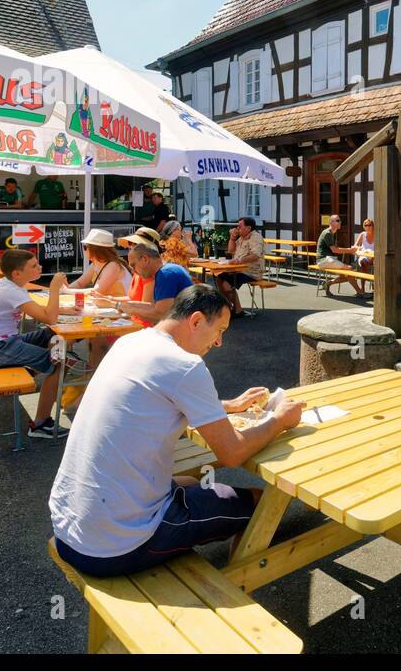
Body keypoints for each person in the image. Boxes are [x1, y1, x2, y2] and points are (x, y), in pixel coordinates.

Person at [48, 284, 306, 576]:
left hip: (69, 528)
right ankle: (239, 587)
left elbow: (157, 396)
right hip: (116, 547)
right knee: (260, 503)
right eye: (220, 330)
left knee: (190, 481)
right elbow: (232, 453)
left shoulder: (130, 342)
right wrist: (280, 420)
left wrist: (227, 405)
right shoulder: (186, 366)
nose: (219, 342)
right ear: (195, 321)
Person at [0, 248, 68, 439]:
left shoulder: (13, 285)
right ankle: (40, 424)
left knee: (50, 336)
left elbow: (41, 310)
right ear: (17, 273)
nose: (39, 266)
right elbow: (49, 317)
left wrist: (68, 311)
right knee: (58, 363)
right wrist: (55, 288)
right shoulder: (11, 290)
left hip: (1, 343)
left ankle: (38, 367)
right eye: (33, 266)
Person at [117, 241, 194, 326]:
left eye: (133, 265)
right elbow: (155, 307)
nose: (133, 271)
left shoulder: (166, 274)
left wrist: (131, 310)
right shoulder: (165, 271)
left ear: (145, 259)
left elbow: (161, 315)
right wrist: (127, 306)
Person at [216, 216, 265, 317]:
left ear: (248, 228)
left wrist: (238, 260)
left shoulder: (255, 237)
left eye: (240, 226)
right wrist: (232, 238)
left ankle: (237, 310)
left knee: (226, 284)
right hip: (238, 270)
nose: (237, 228)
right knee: (219, 278)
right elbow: (231, 250)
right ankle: (231, 307)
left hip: (251, 271)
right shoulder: (242, 237)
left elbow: (255, 255)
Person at [68, 229, 132, 299]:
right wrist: (65, 289)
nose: (84, 250)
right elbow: (79, 283)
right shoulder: (95, 264)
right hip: (109, 306)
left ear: (95, 250)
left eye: (85, 247)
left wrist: (66, 291)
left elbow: (96, 292)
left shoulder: (113, 266)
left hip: (122, 307)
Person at [317, 214, 365, 296]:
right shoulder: (327, 233)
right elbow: (335, 250)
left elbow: (336, 248)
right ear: (331, 222)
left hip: (329, 259)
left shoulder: (331, 233)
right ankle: (360, 292)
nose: (340, 222)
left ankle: (328, 284)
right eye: (338, 221)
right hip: (324, 260)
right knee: (350, 269)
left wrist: (350, 250)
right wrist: (351, 250)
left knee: (346, 276)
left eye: (340, 221)